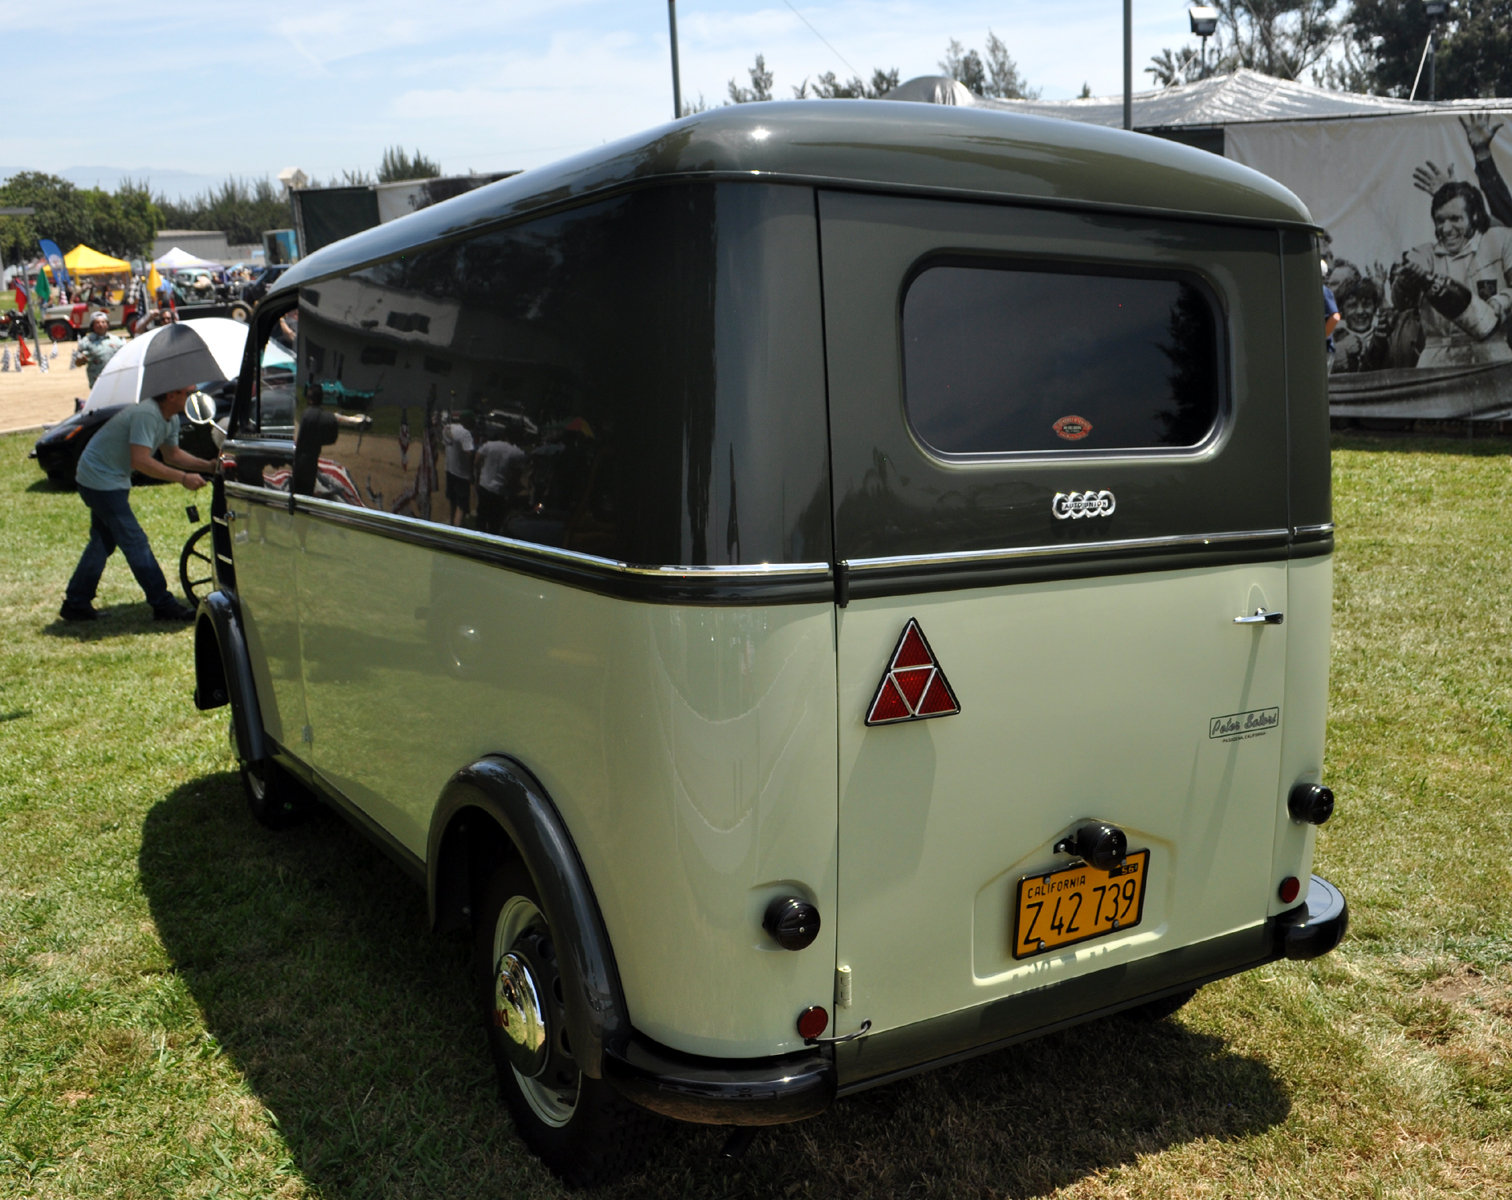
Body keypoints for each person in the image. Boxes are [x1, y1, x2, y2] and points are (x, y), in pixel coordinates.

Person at [60, 386, 216, 622]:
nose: (194, 396)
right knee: (135, 542)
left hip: (111, 479)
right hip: (99, 480)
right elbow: (141, 461)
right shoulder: (147, 414)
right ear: (171, 394)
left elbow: (172, 455)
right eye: (189, 392)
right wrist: (183, 478)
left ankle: (76, 602)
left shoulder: (170, 418)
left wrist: (208, 466)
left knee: (102, 542)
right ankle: (163, 604)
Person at [1390, 181, 1512, 368]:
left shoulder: (1501, 240)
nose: (1446, 229)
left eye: (1455, 219)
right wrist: (1406, 281)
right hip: (1438, 361)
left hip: (1493, 355)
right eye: (1440, 220)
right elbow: (1399, 303)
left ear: (1474, 216)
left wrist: (1500, 302)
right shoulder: (1424, 254)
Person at [1332, 277, 1395, 373]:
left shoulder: (1387, 337)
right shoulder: (1334, 339)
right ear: (1342, 311)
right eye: (1352, 306)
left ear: (1375, 307)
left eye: (1366, 305)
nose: (1360, 311)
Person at [474, 425, 527, 534]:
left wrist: (479, 476)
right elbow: (516, 476)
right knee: (495, 523)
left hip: (484, 486)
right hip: (500, 491)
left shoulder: (489, 445)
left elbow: (476, 461)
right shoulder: (518, 453)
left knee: (481, 519)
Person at [72, 312, 124, 387]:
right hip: (97, 381)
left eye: (103, 322)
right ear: (92, 325)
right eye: (97, 323)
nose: (101, 325)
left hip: (115, 378)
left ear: (107, 324)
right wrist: (81, 360)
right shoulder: (86, 342)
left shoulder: (117, 340)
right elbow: (77, 362)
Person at [442, 413, 475, 525]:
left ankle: (451, 527)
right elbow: (469, 452)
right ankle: (457, 532)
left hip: (450, 470)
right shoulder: (465, 433)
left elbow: (445, 444)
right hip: (462, 475)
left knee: (453, 504)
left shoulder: (447, 428)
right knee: (461, 507)